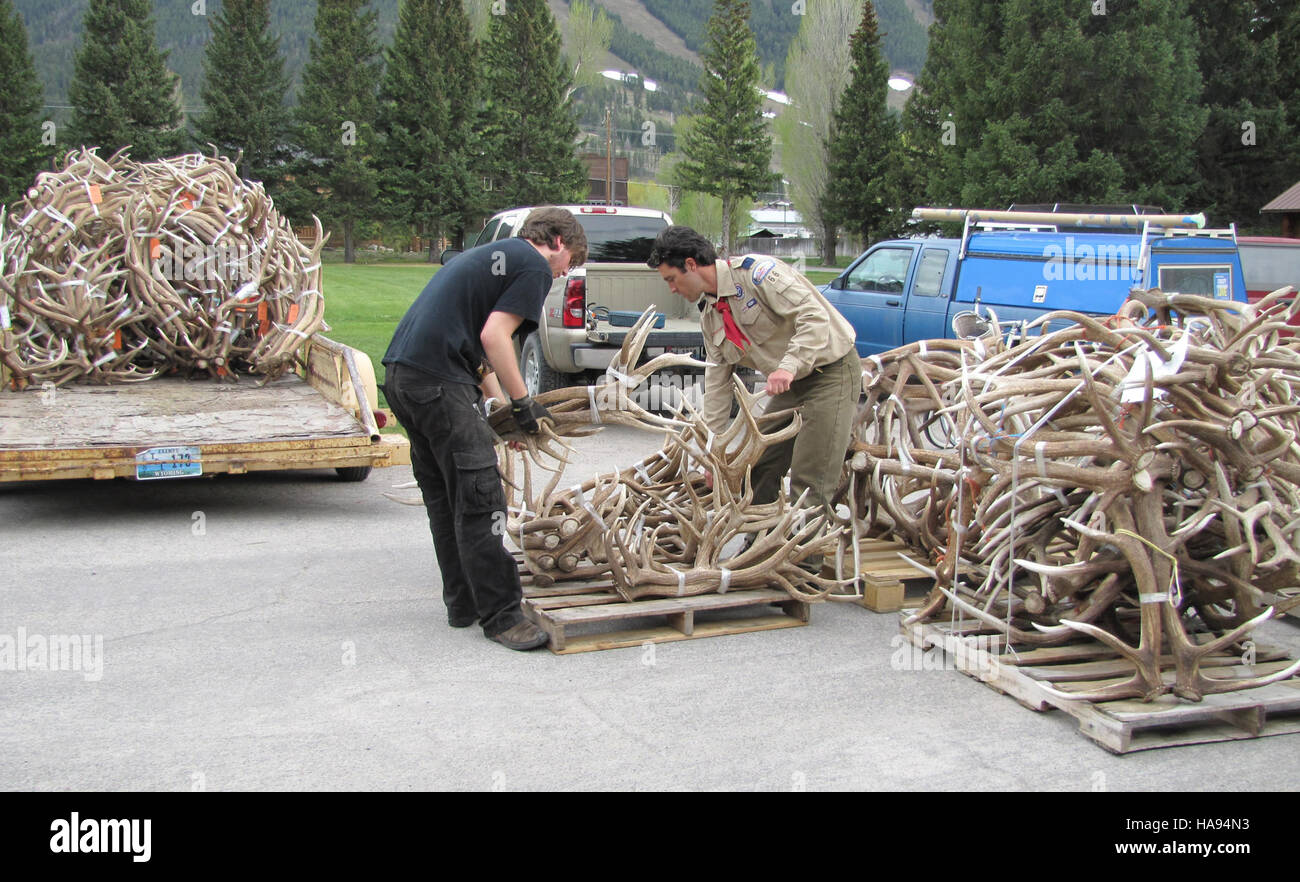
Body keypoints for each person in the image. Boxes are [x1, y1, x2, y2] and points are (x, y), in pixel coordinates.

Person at [383, 207, 588, 651]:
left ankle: (463, 604)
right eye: (567, 262)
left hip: (405, 380)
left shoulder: (490, 256)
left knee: (445, 496)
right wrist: (523, 404)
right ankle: (502, 616)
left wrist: (498, 408)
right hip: (439, 384)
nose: (562, 273)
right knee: (482, 498)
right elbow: (497, 338)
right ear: (556, 240)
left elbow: (476, 351)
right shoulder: (532, 264)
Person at [646, 225, 858, 524]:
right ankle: (761, 545)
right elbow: (717, 385)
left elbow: (814, 317)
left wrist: (788, 365)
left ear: (691, 265)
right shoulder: (710, 315)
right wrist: (713, 454)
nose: (672, 289)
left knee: (810, 480)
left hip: (831, 372)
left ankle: (805, 565)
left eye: (672, 279)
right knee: (757, 468)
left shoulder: (759, 275)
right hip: (791, 385)